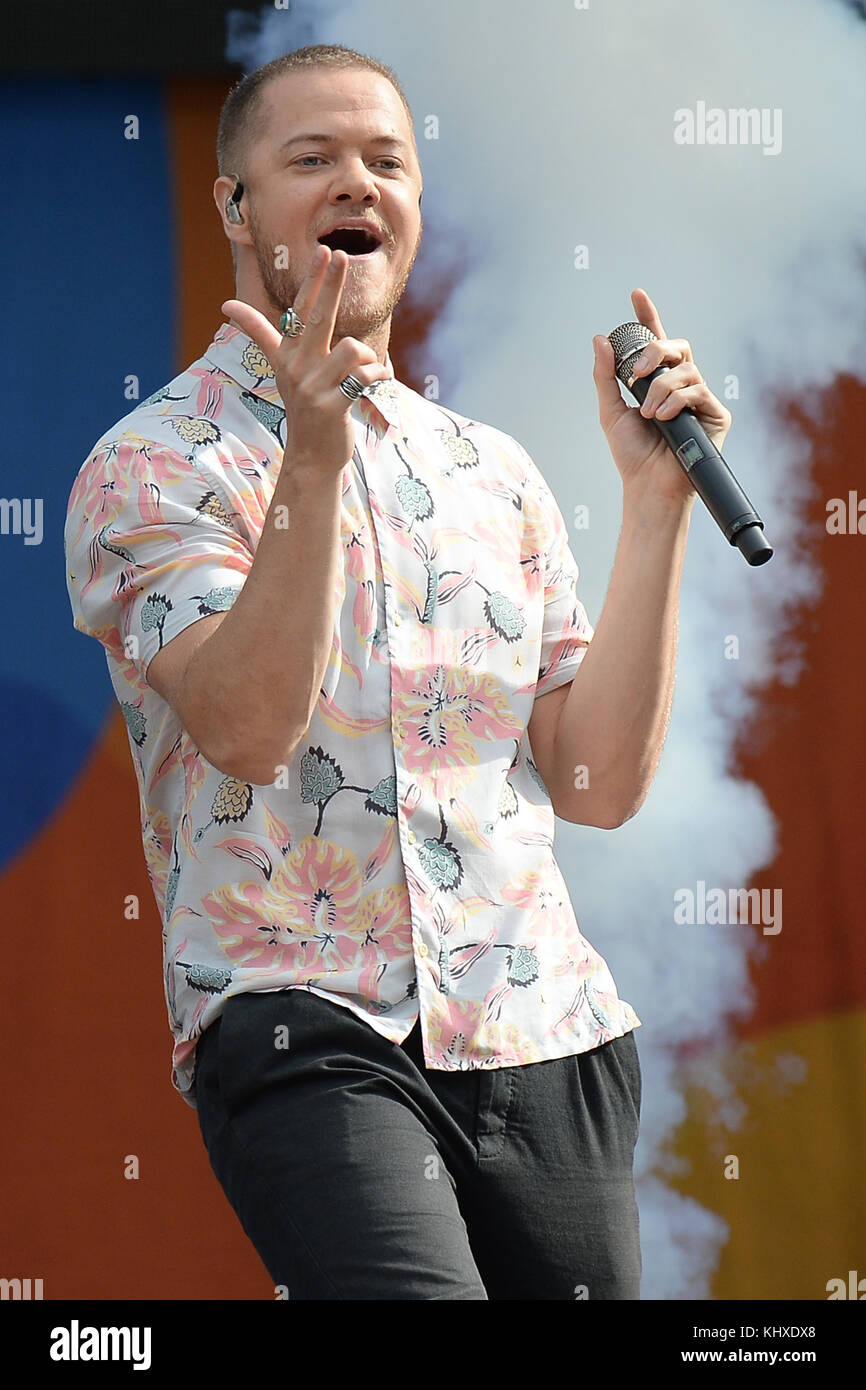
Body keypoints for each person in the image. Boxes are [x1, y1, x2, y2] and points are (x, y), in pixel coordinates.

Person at [63, 43, 731, 1301]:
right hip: (301, 1016)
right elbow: (250, 729)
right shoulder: (153, 465)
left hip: (538, 1025)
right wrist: (308, 461)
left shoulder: (491, 471)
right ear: (233, 206)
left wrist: (652, 509)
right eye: (309, 158)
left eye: (387, 161)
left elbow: (590, 780)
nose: (354, 183)